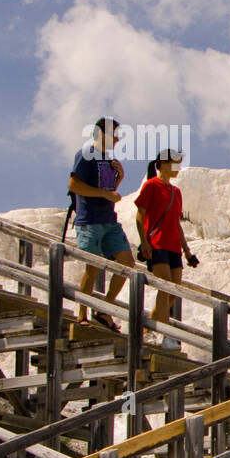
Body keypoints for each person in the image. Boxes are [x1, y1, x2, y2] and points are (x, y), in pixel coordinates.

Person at [68, 117, 135, 330]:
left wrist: (120, 178)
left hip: (108, 219)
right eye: (114, 135)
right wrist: (105, 195)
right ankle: (82, 313)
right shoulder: (86, 155)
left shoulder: (107, 159)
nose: (117, 139)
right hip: (90, 220)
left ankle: (104, 309)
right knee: (93, 267)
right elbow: (74, 184)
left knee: (127, 262)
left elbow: (107, 191)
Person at [134, 149, 197, 352]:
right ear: (163, 163)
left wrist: (187, 252)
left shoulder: (176, 192)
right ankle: (164, 335)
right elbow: (139, 216)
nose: (178, 168)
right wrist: (144, 243)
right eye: (175, 163)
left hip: (173, 248)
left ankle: (148, 331)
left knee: (173, 293)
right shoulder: (151, 186)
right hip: (157, 244)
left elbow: (177, 225)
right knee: (165, 288)